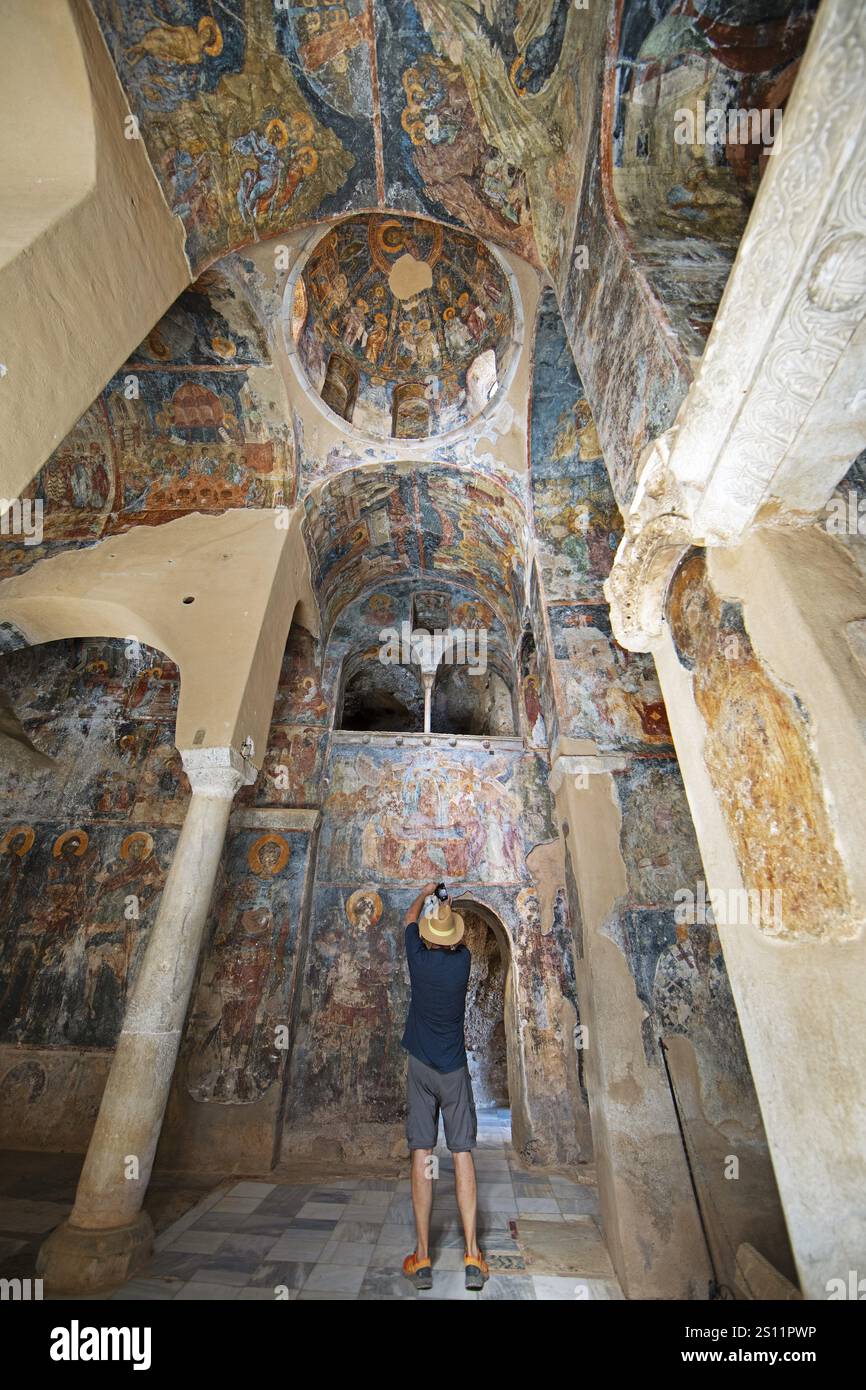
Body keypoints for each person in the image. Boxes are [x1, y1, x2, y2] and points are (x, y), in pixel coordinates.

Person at [400, 883, 489, 1292]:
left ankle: (421, 1258)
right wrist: (448, 908)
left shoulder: (418, 960)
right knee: (462, 1153)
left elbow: (409, 920)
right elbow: (457, 938)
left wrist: (425, 895)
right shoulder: (464, 962)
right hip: (454, 1071)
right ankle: (472, 1254)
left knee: (422, 1152)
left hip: (421, 1067)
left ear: (427, 939)